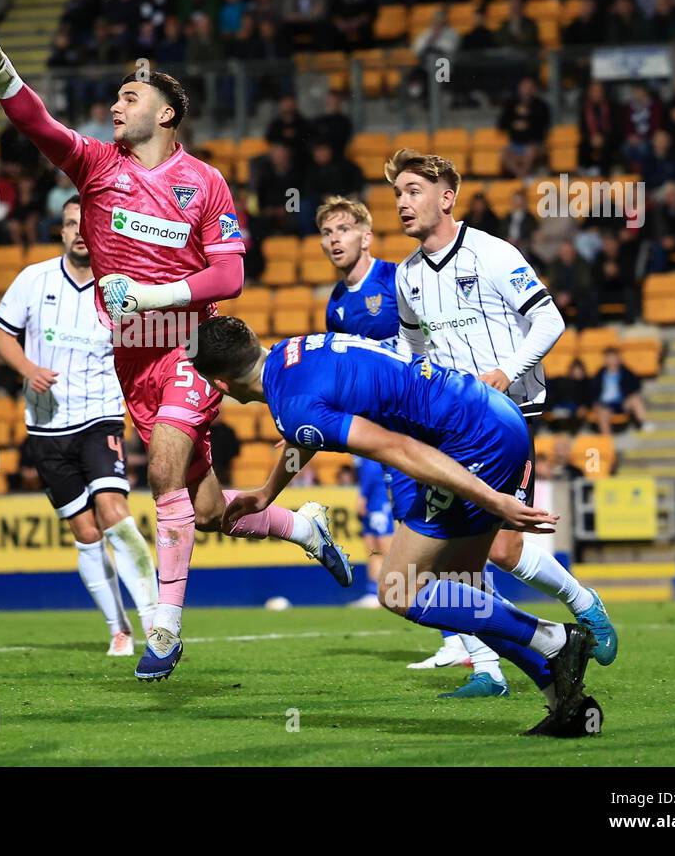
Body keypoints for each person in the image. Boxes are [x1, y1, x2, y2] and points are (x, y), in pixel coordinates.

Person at [0, 30, 351, 681]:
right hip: (132, 362)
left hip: (194, 350)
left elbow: (230, 278)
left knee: (162, 474)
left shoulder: (205, 184)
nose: (116, 105)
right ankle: (301, 528)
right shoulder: (96, 165)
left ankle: (163, 630)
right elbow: (38, 124)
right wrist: (2, 68)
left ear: (165, 113)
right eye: (115, 96)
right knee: (208, 512)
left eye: (129, 95)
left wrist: (148, 294)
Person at [190, 318, 602, 737]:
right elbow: (307, 433)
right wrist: (266, 493)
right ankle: (566, 703)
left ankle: (555, 641)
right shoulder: (292, 353)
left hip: (474, 441)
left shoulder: (292, 407)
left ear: (220, 385)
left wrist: (491, 499)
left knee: (398, 589)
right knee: (462, 591)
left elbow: (399, 448)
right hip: (495, 415)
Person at [388, 148, 617, 695]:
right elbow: (411, 346)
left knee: (500, 550)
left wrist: (505, 372)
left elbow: (550, 318)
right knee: (451, 556)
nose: (402, 202)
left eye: (414, 191)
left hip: (506, 419)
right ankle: (491, 669)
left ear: (447, 198)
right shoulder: (407, 276)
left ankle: (583, 609)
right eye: (398, 193)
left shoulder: (491, 253)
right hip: (450, 426)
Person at [0, 196, 159, 654]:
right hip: (46, 426)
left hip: (99, 415)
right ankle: (119, 629)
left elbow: (145, 345)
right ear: (62, 232)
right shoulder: (33, 279)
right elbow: (1, 335)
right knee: (86, 533)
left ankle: (156, 621)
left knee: (113, 512)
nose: (80, 232)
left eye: (87, 223)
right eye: (70, 224)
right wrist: (28, 369)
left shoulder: (120, 287)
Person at [317, 196, 401, 612]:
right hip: (371, 427)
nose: (334, 239)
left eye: (344, 230)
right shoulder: (336, 303)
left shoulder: (395, 279)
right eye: (327, 232)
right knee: (379, 511)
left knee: (422, 519)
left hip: (413, 419)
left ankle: (465, 630)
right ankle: (383, 591)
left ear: (367, 237)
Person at [591, 348, 650, 434]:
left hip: (622, 403)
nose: (612, 360)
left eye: (614, 358)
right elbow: (593, 390)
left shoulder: (625, 372)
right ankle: (607, 440)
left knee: (635, 399)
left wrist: (628, 395)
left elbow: (636, 385)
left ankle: (644, 423)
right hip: (605, 404)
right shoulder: (600, 374)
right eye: (609, 358)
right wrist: (595, 402)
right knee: (602, 414)